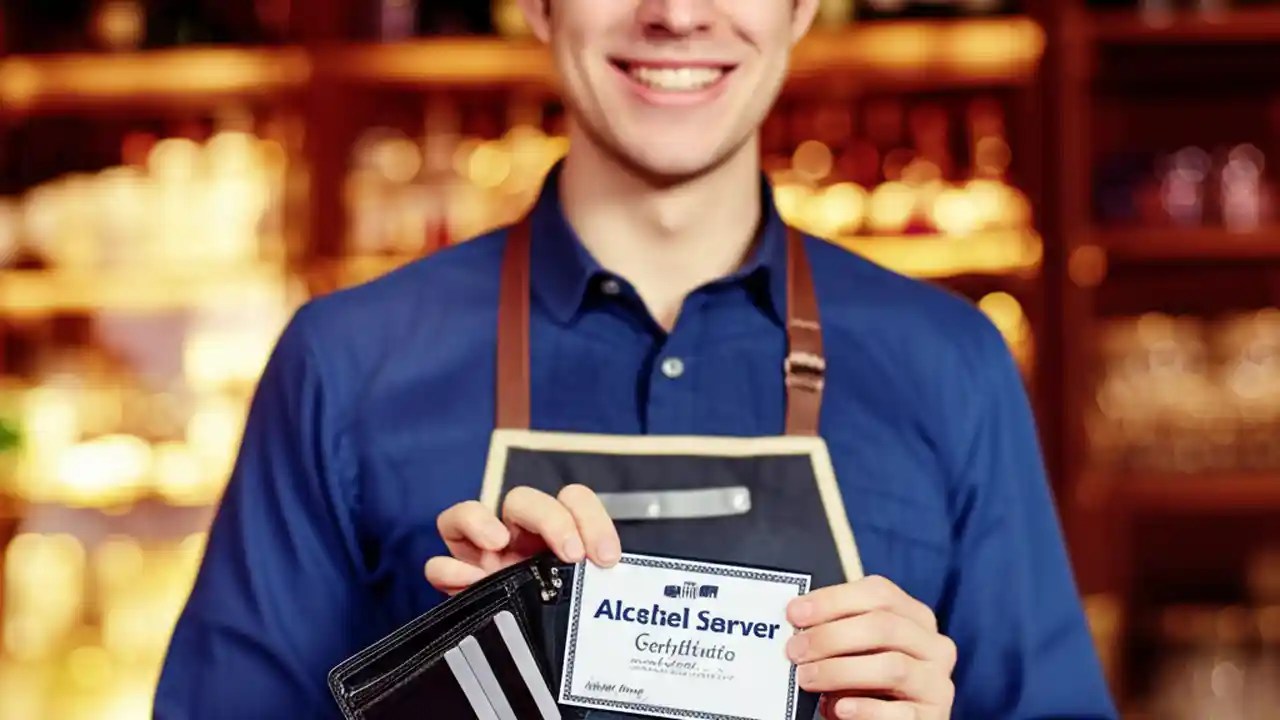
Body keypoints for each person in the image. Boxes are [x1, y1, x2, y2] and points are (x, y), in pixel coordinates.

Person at [155, 1, 1119, 719]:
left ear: (803, 8)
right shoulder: (342, 363)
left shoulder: (953, 366)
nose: (677, 13)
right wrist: (460, 682)